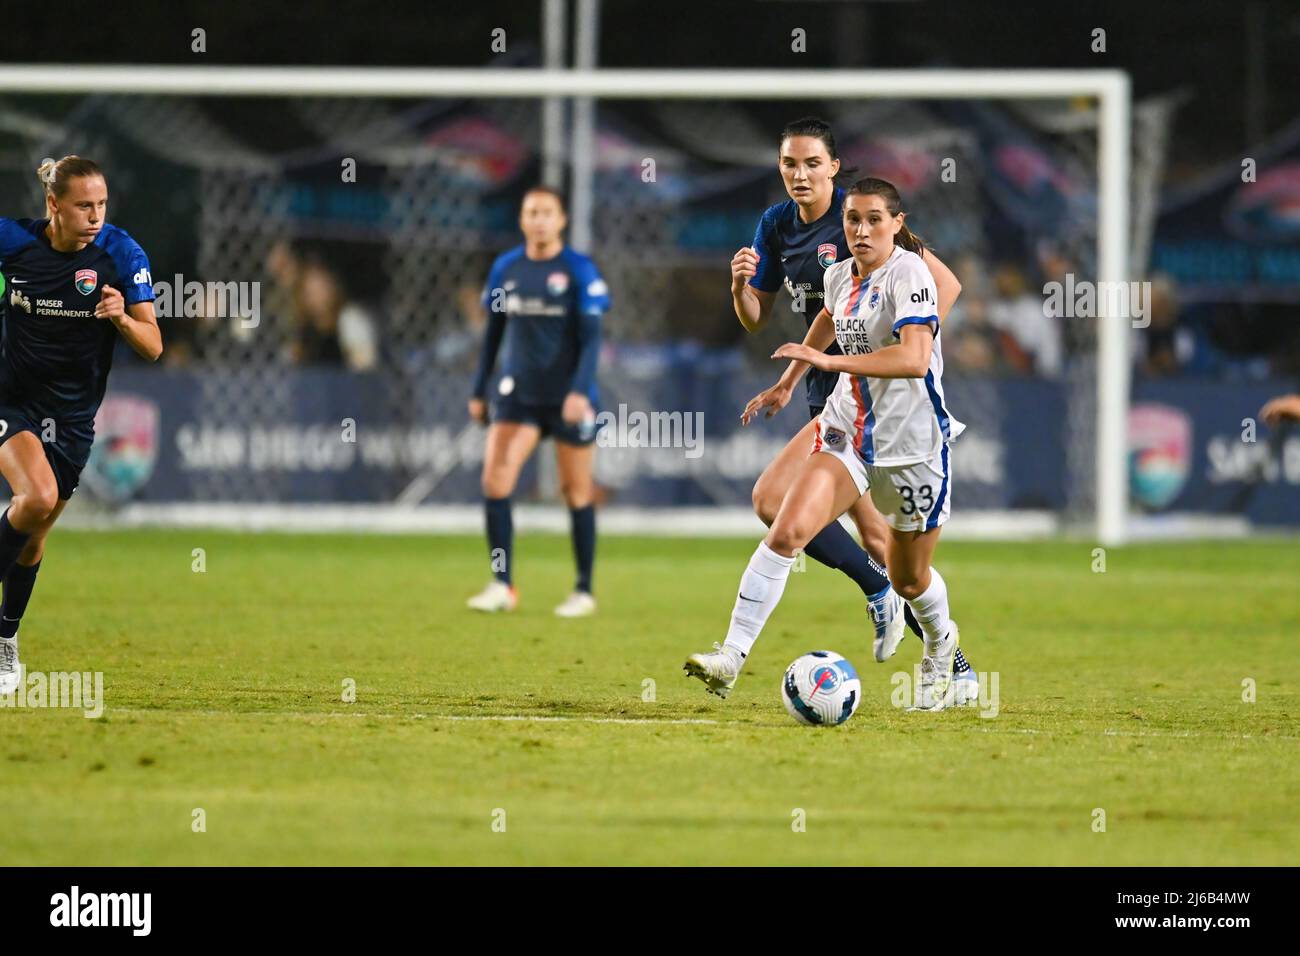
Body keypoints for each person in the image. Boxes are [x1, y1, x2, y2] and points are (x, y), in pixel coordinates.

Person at [686, 177, 965, 711]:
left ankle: (941, 645)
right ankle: (730, 658)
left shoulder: (910, 275)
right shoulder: (838, 274)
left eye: (875, 220)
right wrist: (790, 381)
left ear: (897, 225)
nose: (861, 230)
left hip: (913, 446)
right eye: (853, 220)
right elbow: (826, 318)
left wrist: (832, 362)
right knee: (787, 529)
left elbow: (912, 359)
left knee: (908, 577)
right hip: (848, 431)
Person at [0, 156, 162, 694]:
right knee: (38, 498)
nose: (95, 216)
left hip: (72, 419)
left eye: (102, 205)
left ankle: (5, 642)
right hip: (11, 399)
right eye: (83, 206)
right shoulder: (14, 242)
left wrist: (120, 317)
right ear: (53, 205)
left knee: (33, 538)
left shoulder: (120, 253)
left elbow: (154, 346)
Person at [465, 186, 609, 618]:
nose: (540, 220)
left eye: (547, 212)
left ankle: (583, 590)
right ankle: (501, 584)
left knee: (576, 490)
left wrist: (579, 392)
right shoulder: (506, 270)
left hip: (569, 397)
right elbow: (492, 335)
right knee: (495, 481)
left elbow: (592, 339)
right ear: (522, 219)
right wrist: (478, 388)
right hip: (518, 395)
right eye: (532, 212)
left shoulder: (579, 270)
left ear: (562, 219)